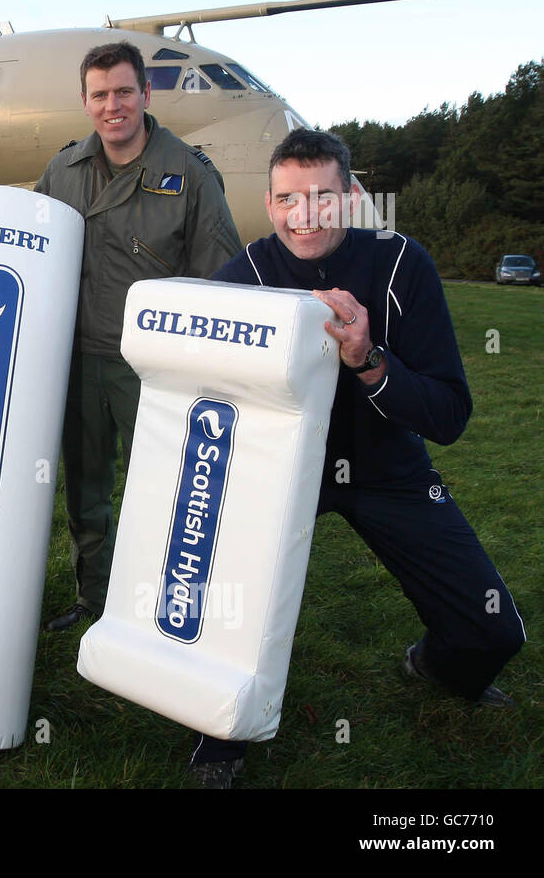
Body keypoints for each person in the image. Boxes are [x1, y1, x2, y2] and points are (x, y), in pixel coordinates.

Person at [191, 127, 526, 788]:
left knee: (493, 634)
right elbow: (202, 386)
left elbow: (451, 414)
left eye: (321, 196)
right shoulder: (246, 276)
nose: (303, 214)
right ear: (270, 200)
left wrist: (369, 361)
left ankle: (434, 664)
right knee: (231, 592)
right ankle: (219, 730)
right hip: (283, 470)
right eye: (288, 198)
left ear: (350, 197)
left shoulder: (403, 264)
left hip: (386, 467)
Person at [34, 41, 241, 632]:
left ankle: (165, 610)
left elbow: (218, 278)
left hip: (151, 367)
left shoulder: (192, 175)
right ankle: (96, 602)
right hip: (74, 361)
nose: (112, 105)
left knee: (168, 491)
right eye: (99, 95)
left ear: (146, 95)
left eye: (124, 91)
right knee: (86, 491)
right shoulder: (62, 170)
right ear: (85, 102)